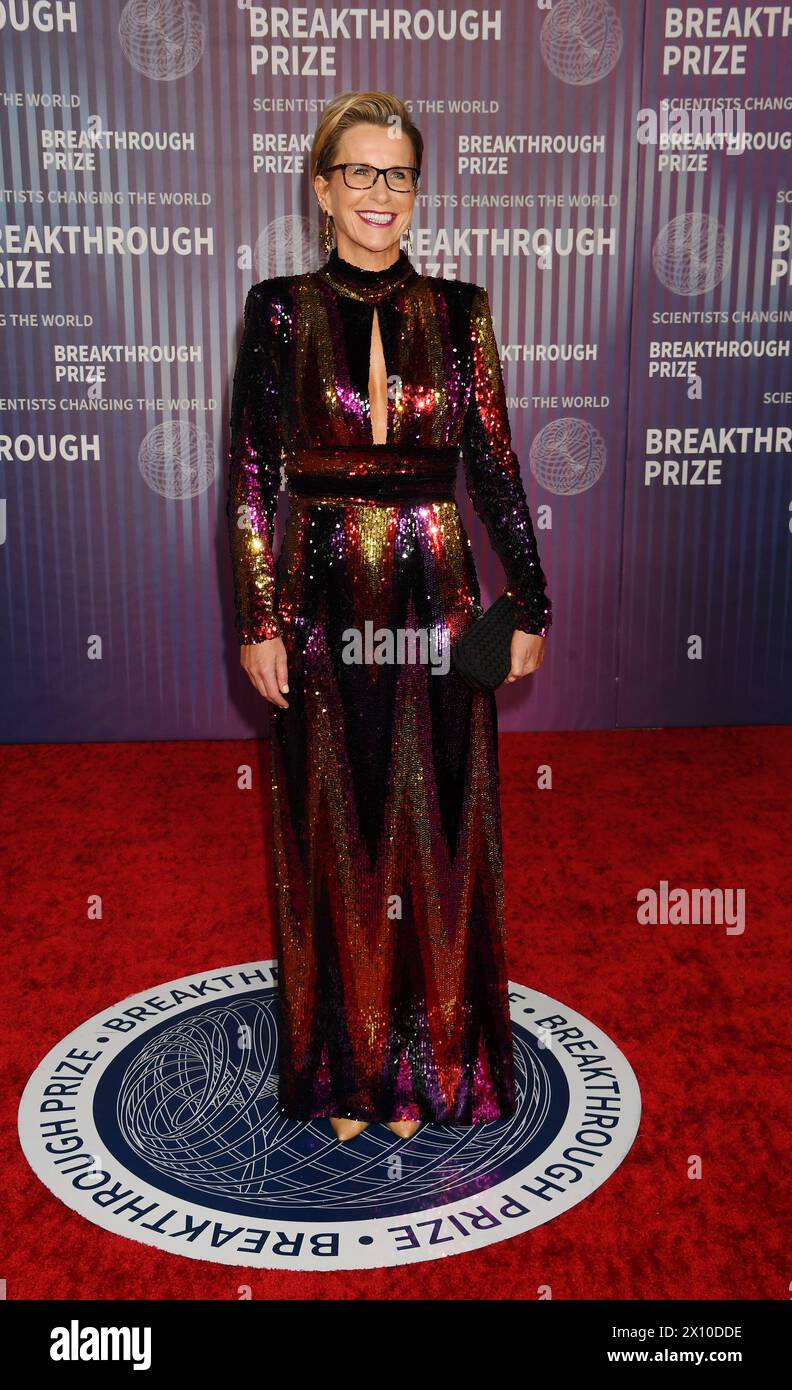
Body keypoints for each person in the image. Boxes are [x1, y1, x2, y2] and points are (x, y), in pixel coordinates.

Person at [226, 91, 551, 1143]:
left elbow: (495, 464)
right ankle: (343, 1073)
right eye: (358, 172)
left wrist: (531, 600)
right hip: (318, 590)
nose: (379, 193)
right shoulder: (279, 309)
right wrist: (259, 615)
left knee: (435, 822)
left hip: (437, 592)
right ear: (321, 190)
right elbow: (246, 475)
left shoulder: (462, 310)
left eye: (397, 173)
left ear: (418, 188)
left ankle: (430, 1063)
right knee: (330, 821)